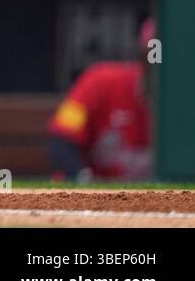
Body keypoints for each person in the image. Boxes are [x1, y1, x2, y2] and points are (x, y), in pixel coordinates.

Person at [47, 21, 153, 182]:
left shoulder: (186, 105)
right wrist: (83, 179)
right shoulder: (100, 80)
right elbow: (61, 138)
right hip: (83, 199)